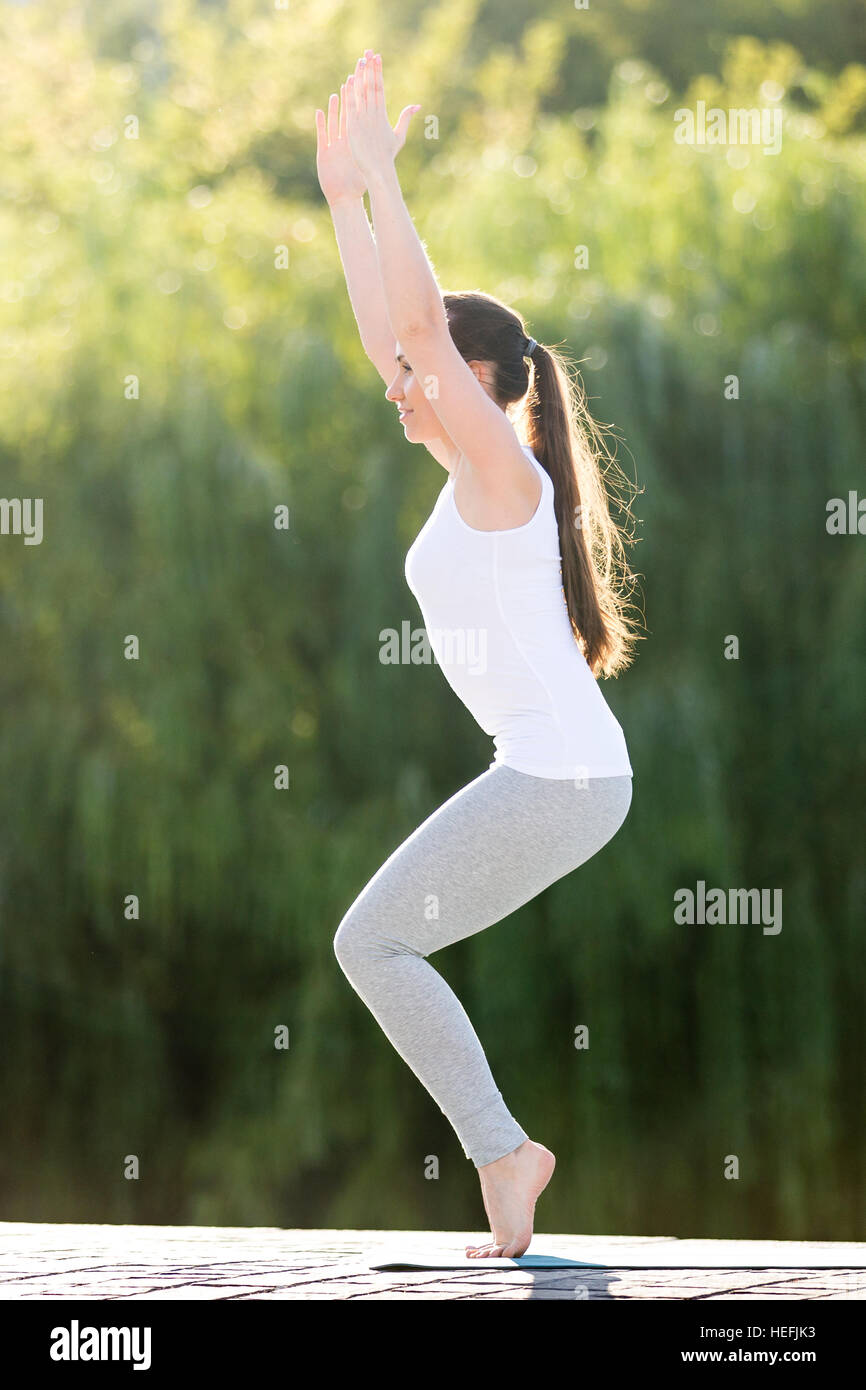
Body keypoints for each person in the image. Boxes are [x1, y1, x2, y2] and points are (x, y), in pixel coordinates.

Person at [315, 51, 643, 1258]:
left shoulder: (508, 469)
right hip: (555, 776)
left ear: (487, 385)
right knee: (376, 940)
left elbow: (412, 323)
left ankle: (505, 1153)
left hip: (560, 780)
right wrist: (341, 199)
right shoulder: (471, 476)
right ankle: (505, 1153)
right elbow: (385, 333)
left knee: (371, 940)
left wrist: (386, 183)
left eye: (429, 375)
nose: (401, 386)